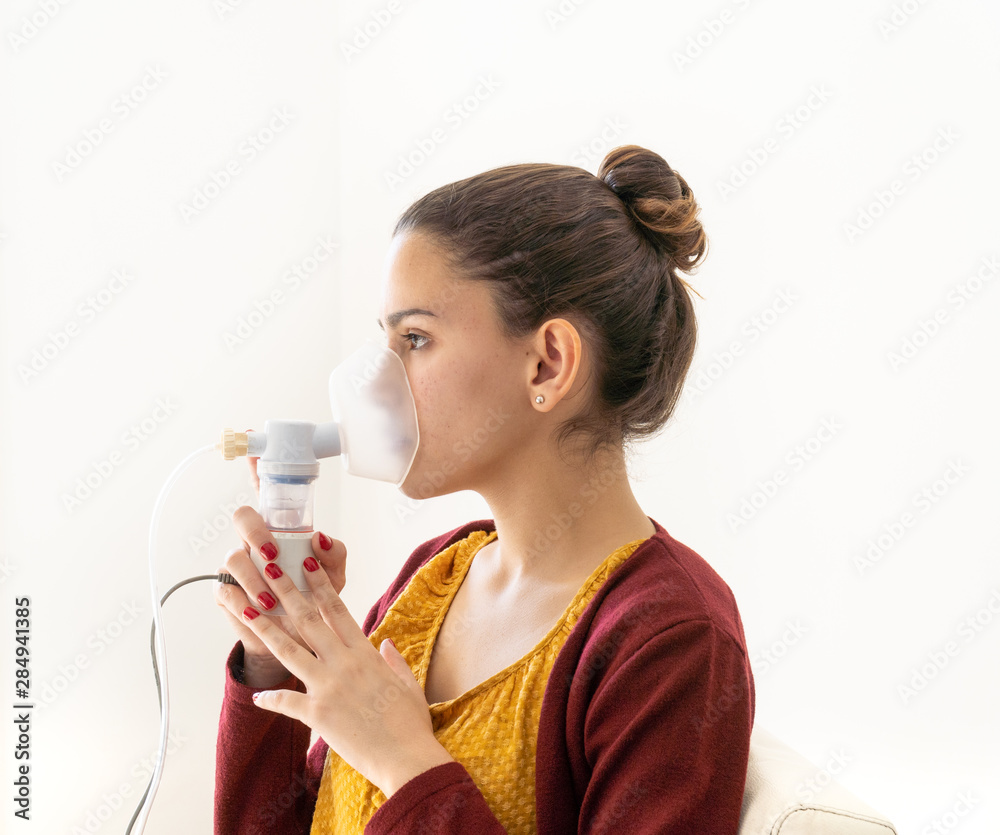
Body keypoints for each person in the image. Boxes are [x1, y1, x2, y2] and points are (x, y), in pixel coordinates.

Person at [213, 144, 755, 834]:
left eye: (415, 338)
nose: (377, 378)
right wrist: (275, 659)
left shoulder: (672, 640)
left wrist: (403, 759)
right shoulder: (433, 579)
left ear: (547, 363)